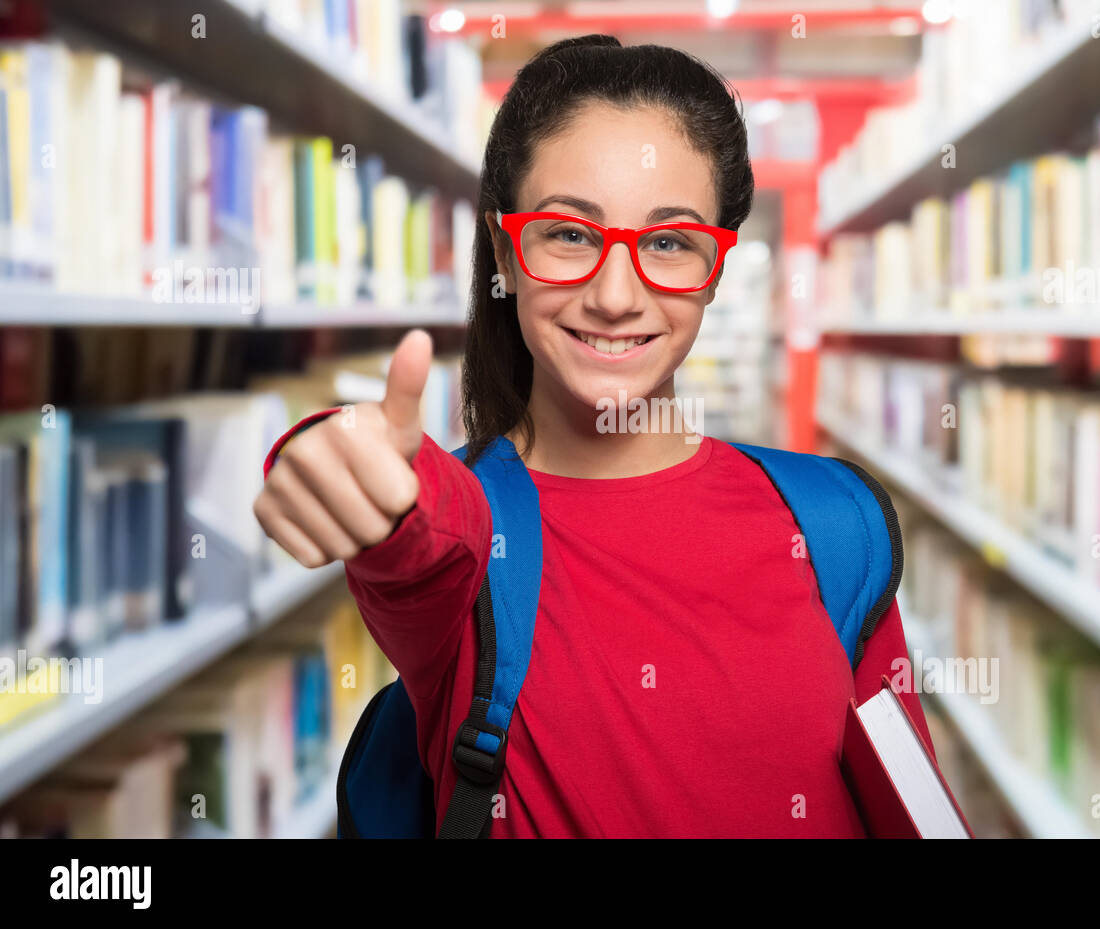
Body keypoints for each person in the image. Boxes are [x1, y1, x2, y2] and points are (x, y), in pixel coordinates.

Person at [254, 34, 938, 838]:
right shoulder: (471, 536)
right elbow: (417, 531)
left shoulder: (836, 523)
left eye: (670, 243)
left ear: (714, 270)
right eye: (570, 234)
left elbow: (909, 808)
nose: (616, 295)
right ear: (508, 251)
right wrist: (332, 453)